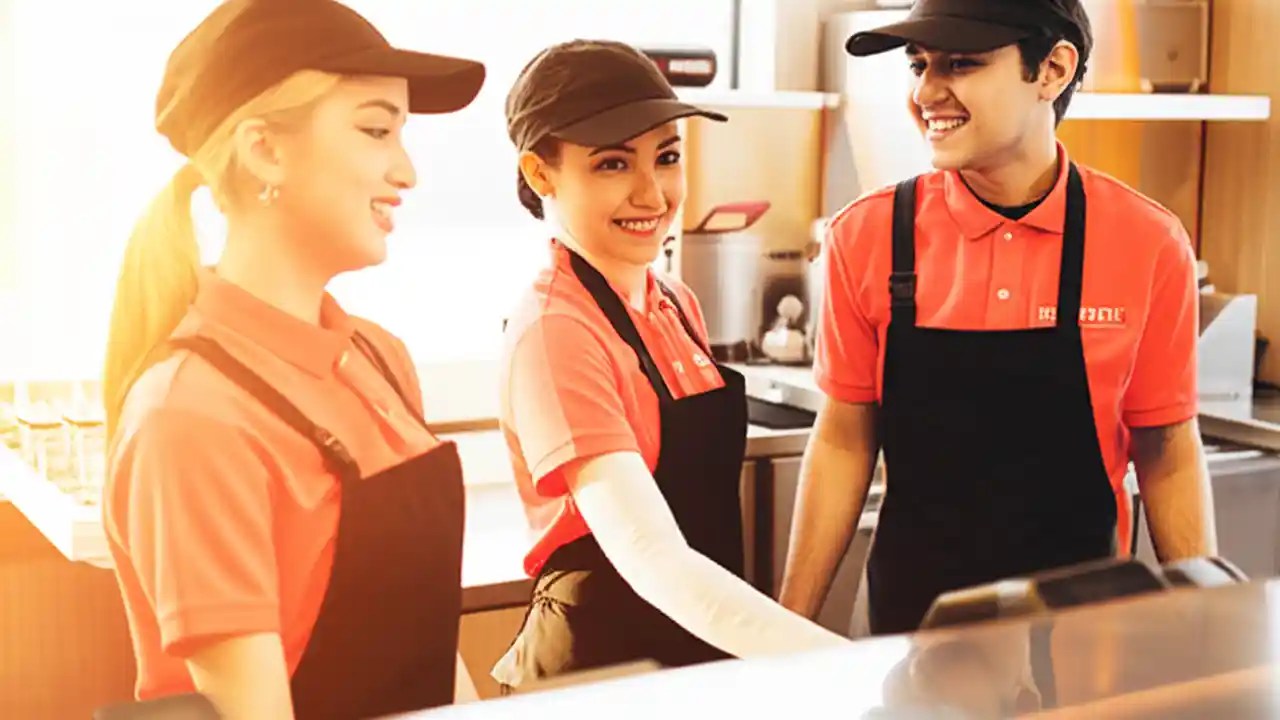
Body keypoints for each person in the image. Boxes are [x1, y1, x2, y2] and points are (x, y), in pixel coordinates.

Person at [779, 0, 1218, 637]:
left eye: (962, 63)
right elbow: (844, 441)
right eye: (919, 64)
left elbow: (1167, 450)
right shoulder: (866, 236)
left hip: (1085, 637)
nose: (927, 93)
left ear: (1053, 69)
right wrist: (786, 629)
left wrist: (1206, 625)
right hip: (912, 637)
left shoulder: (1147, 242)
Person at [100, 1, 485, 718]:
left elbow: (432, 652)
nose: (407, 172)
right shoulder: (190, 419)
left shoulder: (380, 359)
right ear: (265, 150)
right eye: (376, 130)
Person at [490, 40, 848, 689]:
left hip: (689, 646)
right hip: (597, 673)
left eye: (668, 156)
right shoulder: (555, 330)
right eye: (611, 164)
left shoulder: (675, 302)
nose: (651, 192)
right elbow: (651, 554)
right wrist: (842, 667)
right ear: (542, 174)